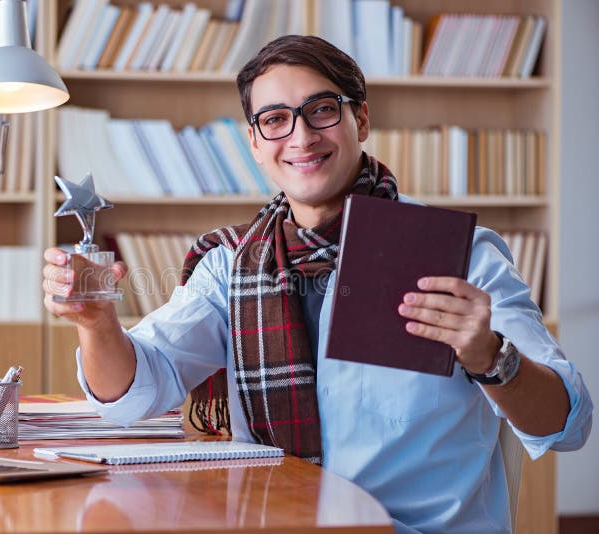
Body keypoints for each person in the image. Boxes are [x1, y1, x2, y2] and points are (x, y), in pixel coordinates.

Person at [42, 35, 592, 533]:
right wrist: (96, 324)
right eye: (275, 119)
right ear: (255, 143)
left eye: (322, 110)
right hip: (274, 524)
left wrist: (490, 357)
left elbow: (567, 424)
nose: (301, 136)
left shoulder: (458, 254)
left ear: (362, 121)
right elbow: (138, 388)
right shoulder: (232, 264)